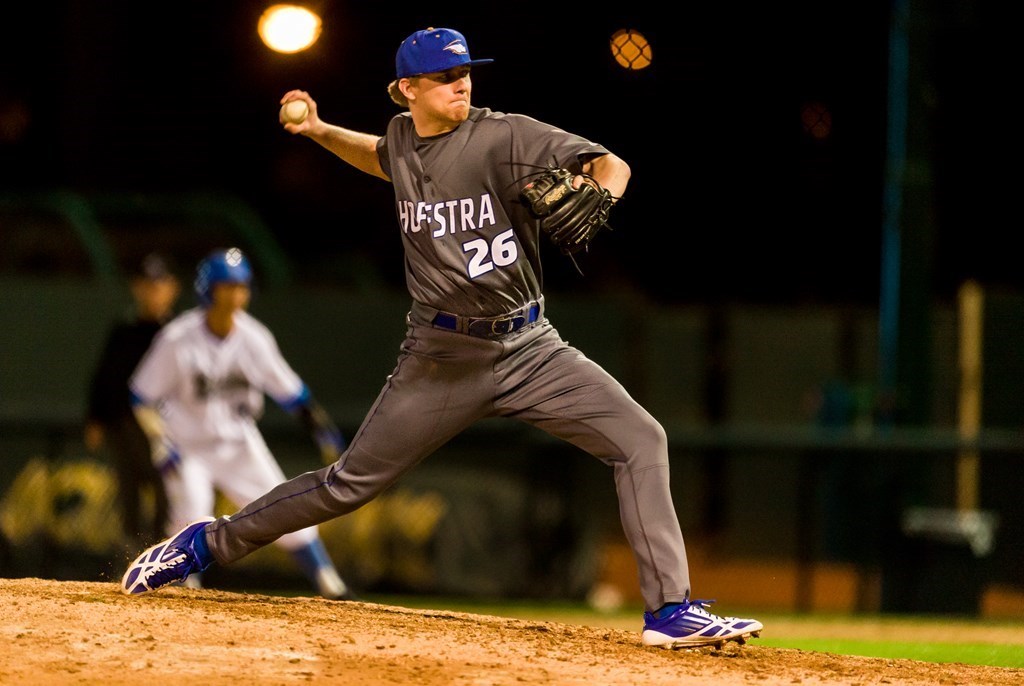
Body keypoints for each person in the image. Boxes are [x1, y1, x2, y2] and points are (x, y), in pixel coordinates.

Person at [121, 27, 762, 648]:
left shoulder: (504, 134)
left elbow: (609, 163)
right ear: (406, 90)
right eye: (446, 76)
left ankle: (670, 610)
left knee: (641, 438)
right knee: (349, 483)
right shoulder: (401, 139)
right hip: (440, 357)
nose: (462, 84)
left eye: (466, 72)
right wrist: (317, 131)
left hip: (531, 348)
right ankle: (204, 543)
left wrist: (603, 194)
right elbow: (377, 157)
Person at [124, 246, 355, 600]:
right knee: (190, 514)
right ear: (208, 289)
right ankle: (184, 590)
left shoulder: (254, 338)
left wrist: (320, 428)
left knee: (283, 505)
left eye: (241, 286)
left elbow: (293, 394)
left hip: (238, 443)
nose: (235, 294)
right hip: (189, 446)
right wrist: (159, 441)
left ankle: (329, 582)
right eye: (226, 286)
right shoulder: (177, 338)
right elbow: (141, 396)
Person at [84, 252, 180, 546]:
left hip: (162, 427)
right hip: (121, 422)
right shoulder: (124, 329)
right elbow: (104, 376)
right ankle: (129, 556)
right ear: (136, 287)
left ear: (172, 288)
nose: (153, 291)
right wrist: (96, 418)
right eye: (146, 284)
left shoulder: (177, 333)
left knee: (168, 488)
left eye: (159, 284)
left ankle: (161, 556)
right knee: (129, 492)